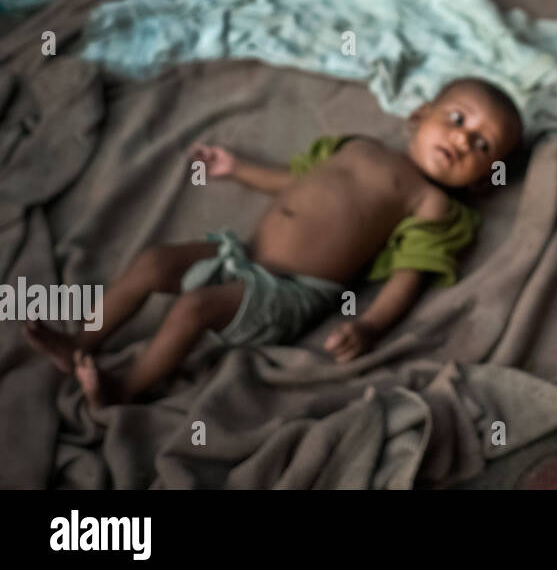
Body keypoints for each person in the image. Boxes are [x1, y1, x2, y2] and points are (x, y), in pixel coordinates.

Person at [27, 77, 523, 406]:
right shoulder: (357, 146)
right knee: (155, 261)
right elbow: (294, 182)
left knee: (194, 309)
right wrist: (236, 169)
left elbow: (406, 277)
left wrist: (369, 326)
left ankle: (124, 389)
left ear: (484, 180)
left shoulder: (430, 203)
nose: (462, 141)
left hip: (287, 291)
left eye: (482, 146)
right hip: (240, 254)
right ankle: (81, 341)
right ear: (420, 113)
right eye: (458, 120)